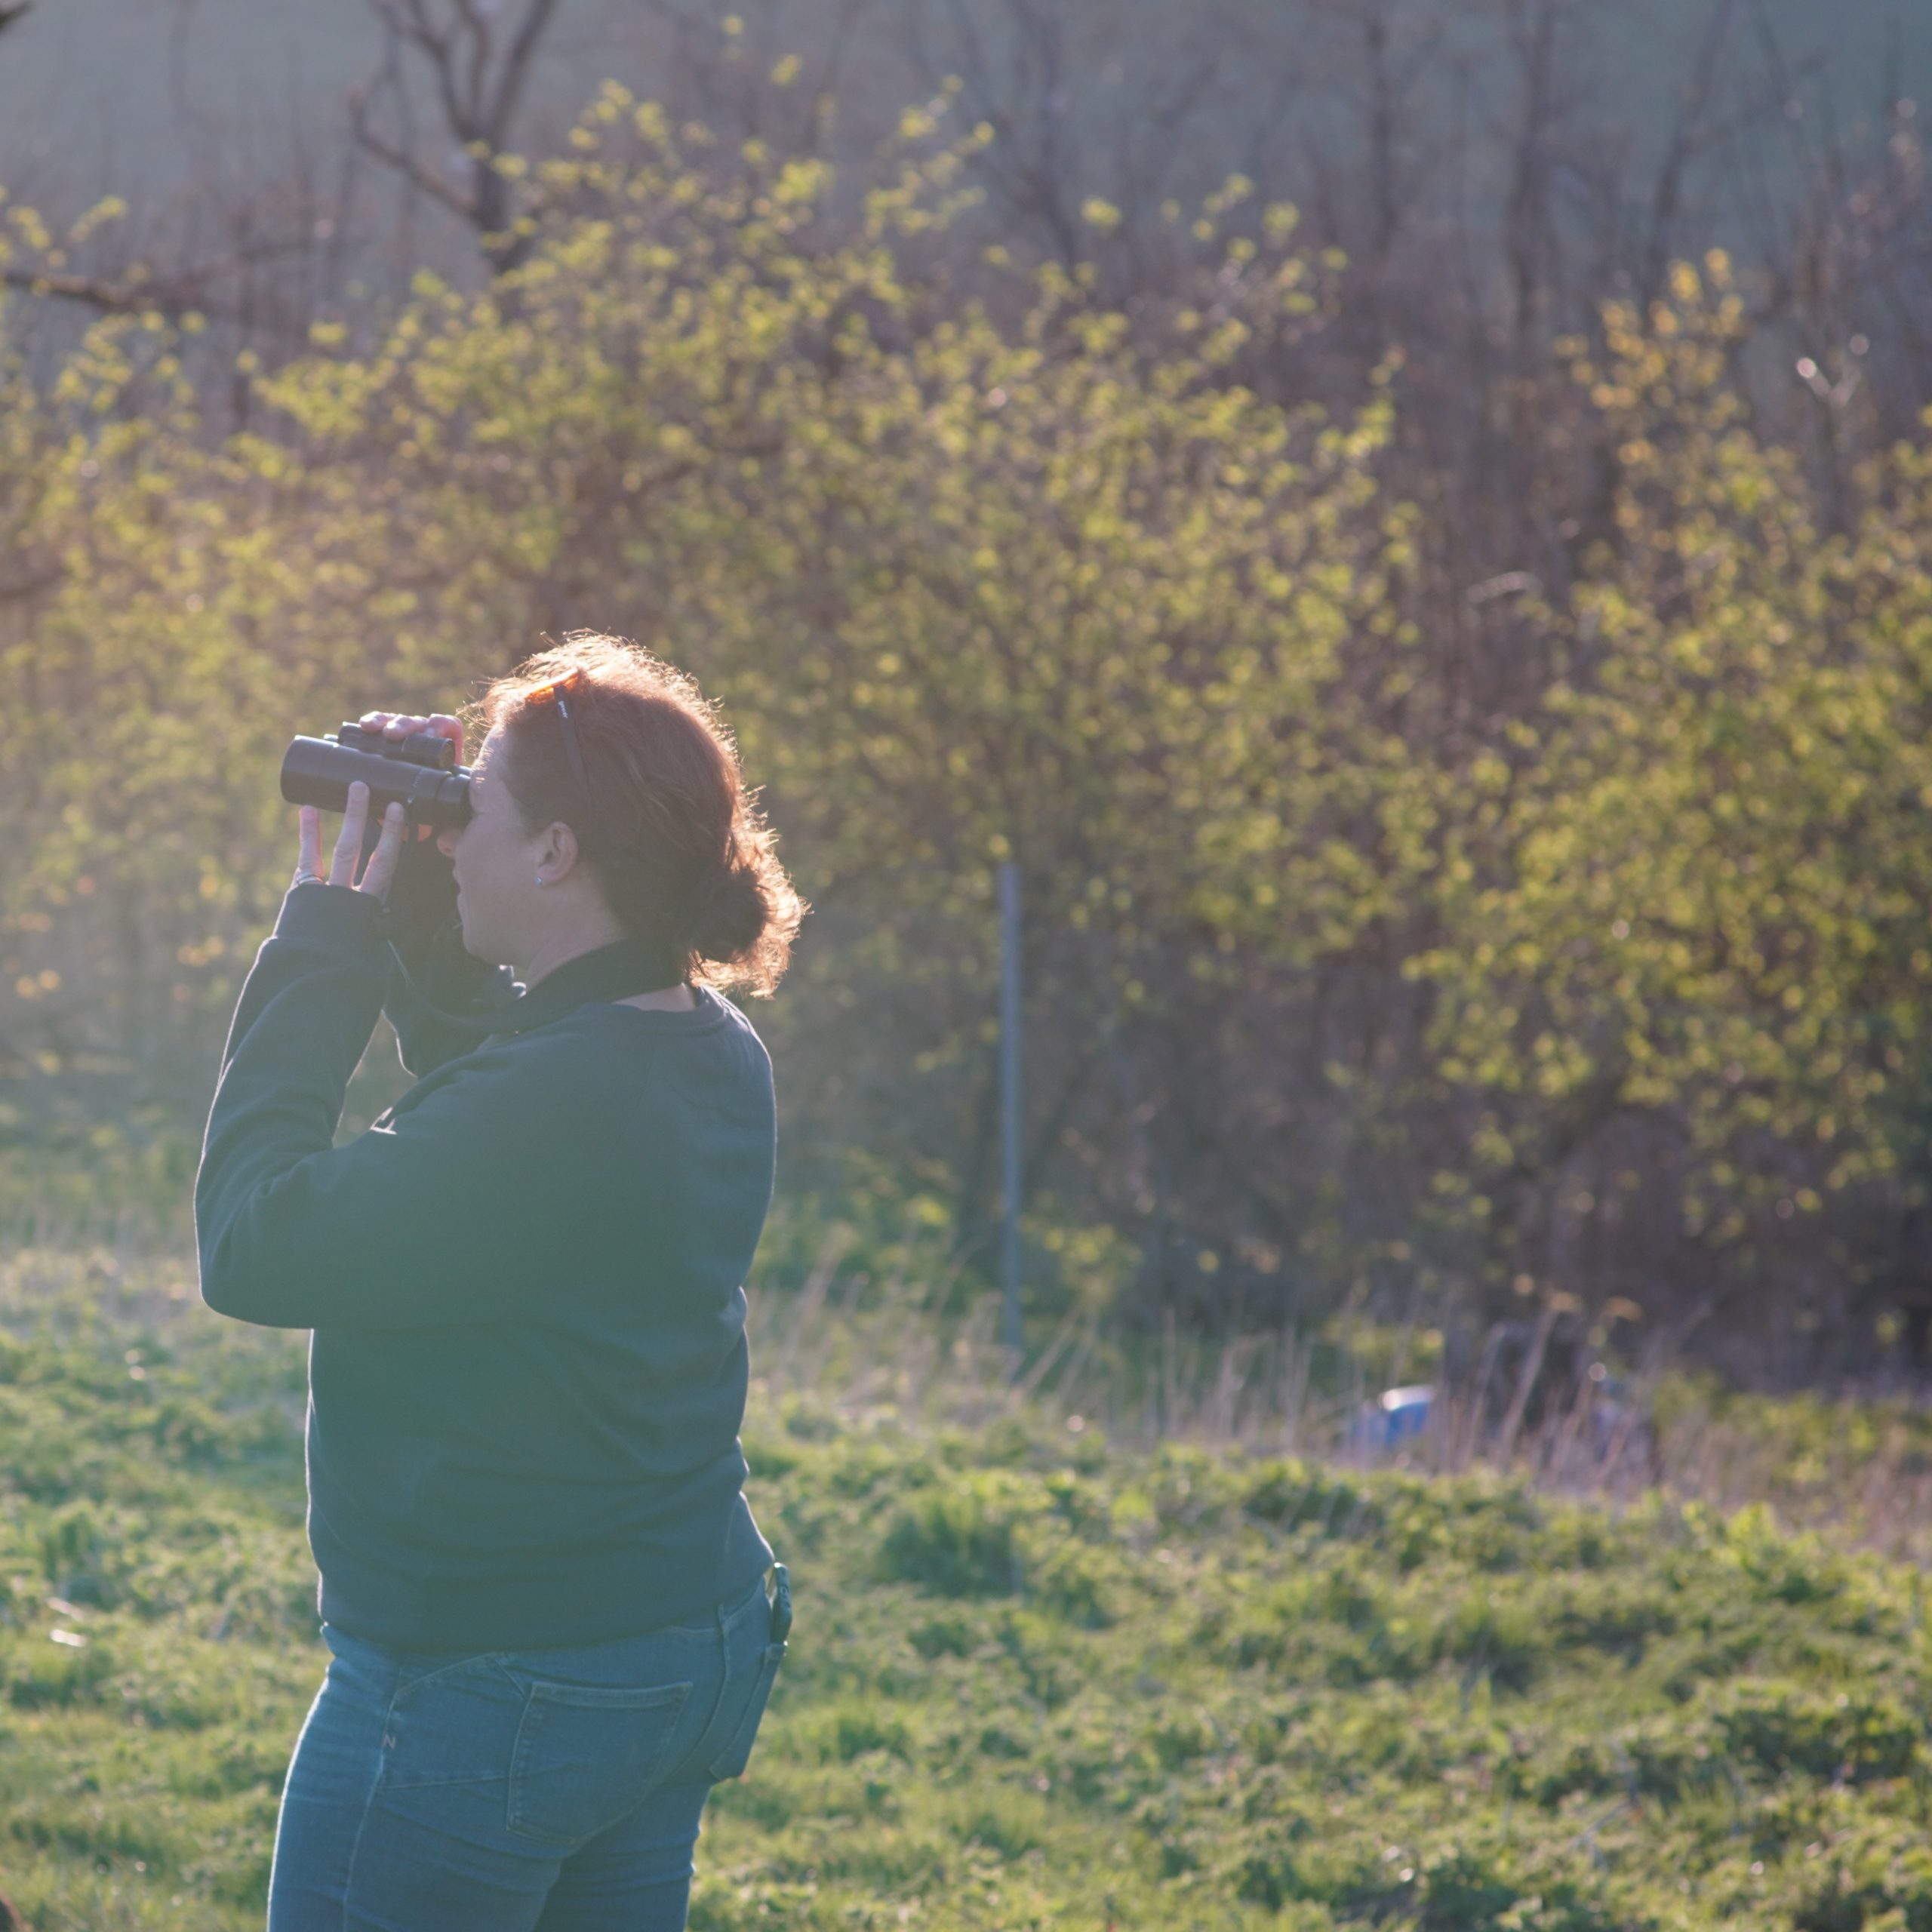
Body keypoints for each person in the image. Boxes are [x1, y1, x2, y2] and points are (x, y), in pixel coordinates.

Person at [195, 634, 807, 1931]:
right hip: (665, 1642)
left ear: (556, 854)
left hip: (492, 1675)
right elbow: (502, 1101)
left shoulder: (558, 1103)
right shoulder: (706, 1051)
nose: (455, 832)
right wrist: (426, 913)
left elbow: (254, 1240)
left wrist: (327, 931)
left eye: (478, 811)